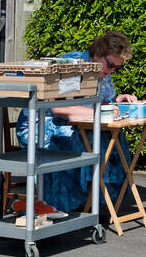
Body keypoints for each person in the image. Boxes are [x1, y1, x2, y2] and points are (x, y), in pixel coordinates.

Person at [15, 31, 138, 215]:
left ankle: (93, 199)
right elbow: (59, 109)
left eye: (116, 68)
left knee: (113, 137)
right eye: (111, 65)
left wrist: (118, 100)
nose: (111, 70)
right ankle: (58, 204)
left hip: (72, 122)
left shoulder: (103, 72)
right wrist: (98, 112)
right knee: (73, 139)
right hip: (40, 123)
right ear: (98, 52)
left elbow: (104, 101)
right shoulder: (70, 65)